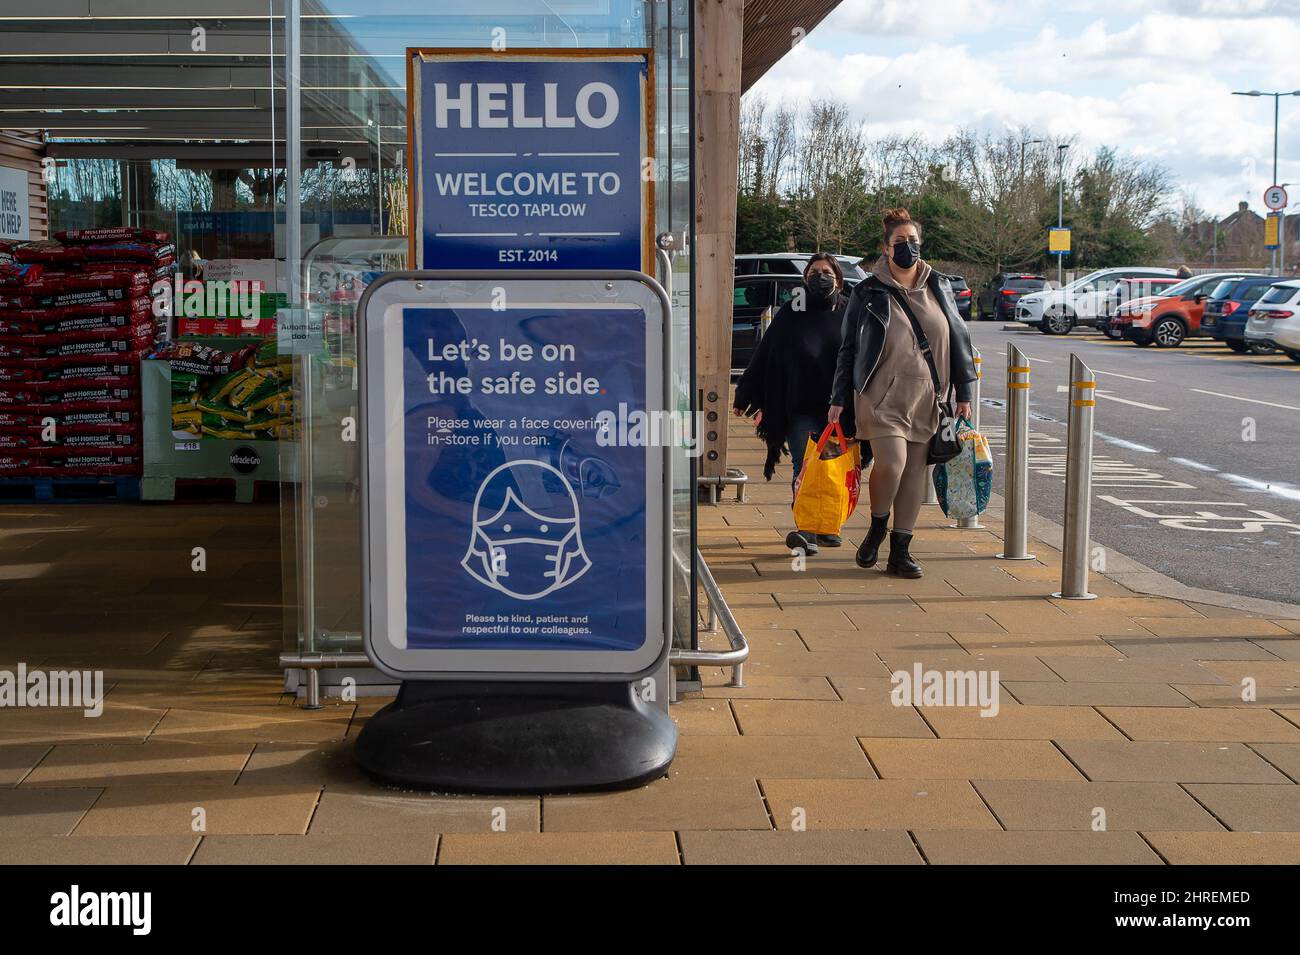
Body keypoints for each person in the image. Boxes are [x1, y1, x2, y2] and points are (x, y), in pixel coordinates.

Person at [829, 208, 977, 578]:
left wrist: (965, 390)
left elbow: (959, 338)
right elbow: (848, 349)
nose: (908, 248)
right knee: (891, 464)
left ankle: (901, 549)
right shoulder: (866, 292)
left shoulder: (938, 286)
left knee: (914, 473)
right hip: (879, 396)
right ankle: (878, 525)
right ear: (886, 247)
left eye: (913, 242)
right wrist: (838, 398)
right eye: (900, 242)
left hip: (928, 396)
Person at [734, 253, 852, 555]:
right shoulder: (791, 311)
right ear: (805, 279)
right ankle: (807, 530)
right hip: (799, 405)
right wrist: (746, 393)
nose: (820, 277)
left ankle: (827, 526)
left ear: (838, 279)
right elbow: (766, 353)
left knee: (833, 468)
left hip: (839, 409)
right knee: (806, 466)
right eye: (814, 272)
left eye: (827, 272)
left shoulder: (850, 312)